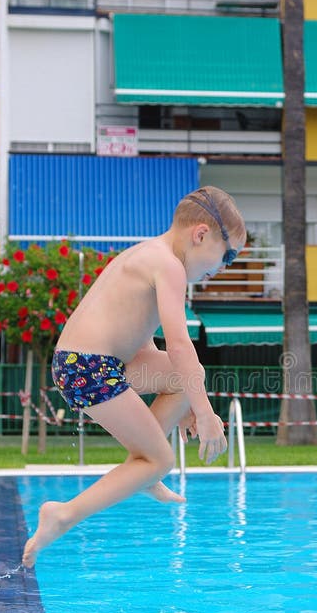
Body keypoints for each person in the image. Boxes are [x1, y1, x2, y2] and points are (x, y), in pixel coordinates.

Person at [22, 186, 246, 568]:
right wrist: (206, 414)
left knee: (185, 381)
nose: (223, 267)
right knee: (161, 458)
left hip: (89, 361)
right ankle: (63, 514)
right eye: (228, 255)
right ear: (201, 234)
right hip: (86, 366)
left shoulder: (151, 254)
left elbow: (145, 341)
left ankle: (144, 468)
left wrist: (189, 402)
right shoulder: (169, 267)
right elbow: (178, 343)